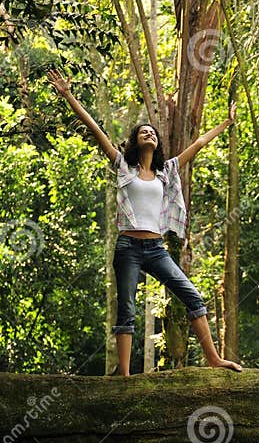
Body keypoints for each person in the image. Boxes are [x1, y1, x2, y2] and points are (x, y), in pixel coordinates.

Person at [47, 68, 242, 374]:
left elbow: (200, 142)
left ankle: (215, 359)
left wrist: (227, 123)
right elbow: (95, 128)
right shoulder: (124, 167)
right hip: (128, 247)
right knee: (126, 307)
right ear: (135, 142)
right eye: (143, 132)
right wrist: (68, 95)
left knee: (191, 295)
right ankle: (125, 377)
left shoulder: (166, 172)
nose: (148, 133)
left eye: (152, 132)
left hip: (156, 249)